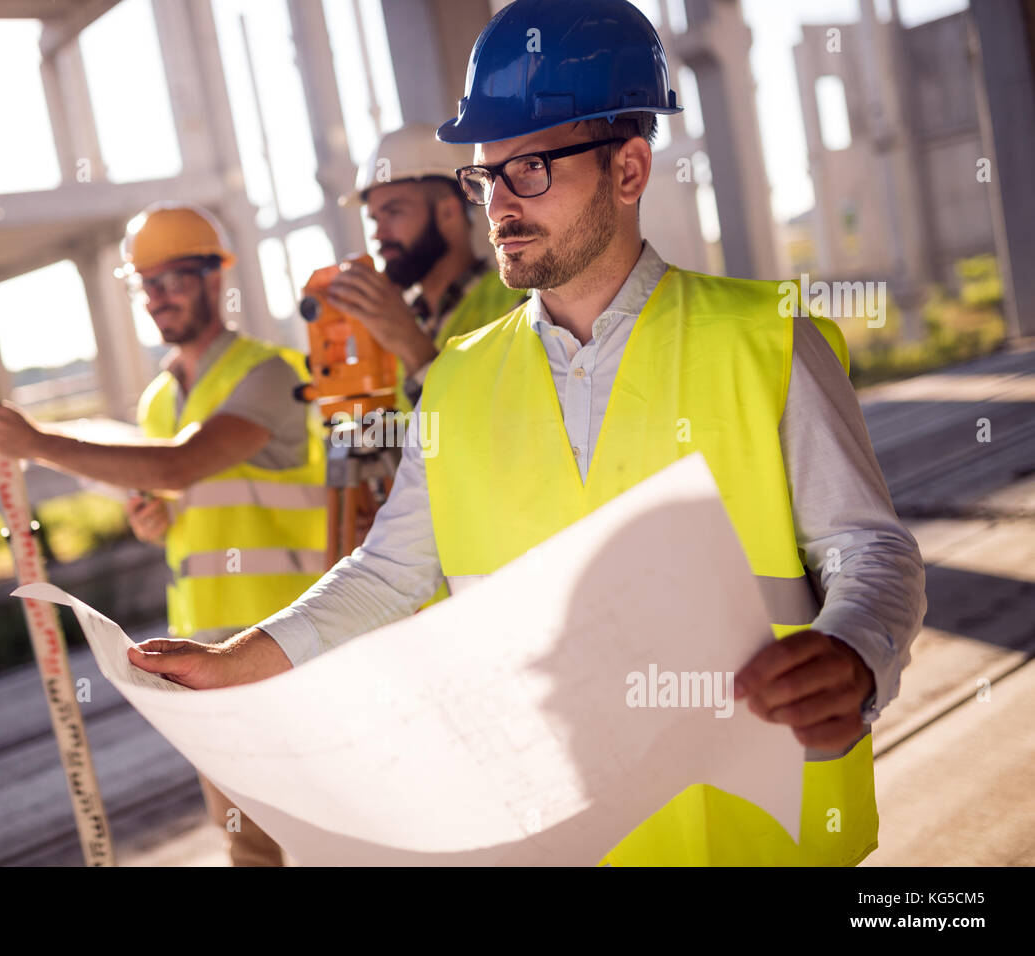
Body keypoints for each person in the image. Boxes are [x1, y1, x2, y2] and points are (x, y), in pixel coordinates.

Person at [126, 0, 927, 866]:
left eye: (533, 167)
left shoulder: (766, 340)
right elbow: (392, 572)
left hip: (748, 833)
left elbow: (868, 550)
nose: (499, 202)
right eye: (486, 176)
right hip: (548, 834)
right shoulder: (461, 376)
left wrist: (852, 651)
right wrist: (238, 659)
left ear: (628, 169)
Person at [0, 202, 324, 867]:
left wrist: (36, 442)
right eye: (147, 283)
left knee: (329, 833)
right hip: (202, 654)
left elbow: (180, 463)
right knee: (247, 845)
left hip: (287, 644)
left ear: (215, 279)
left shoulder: (270, 374)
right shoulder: (159, 400)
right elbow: (185, 494)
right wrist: (156, 521)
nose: (159, 297)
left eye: (174, 279)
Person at [330, 122, 526, 411]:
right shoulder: (394, 320)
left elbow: (502, 429)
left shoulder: (521, 301)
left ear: (448, 211)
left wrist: (412, 346)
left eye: (393, 212)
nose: (378, 234)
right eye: (374, 219)